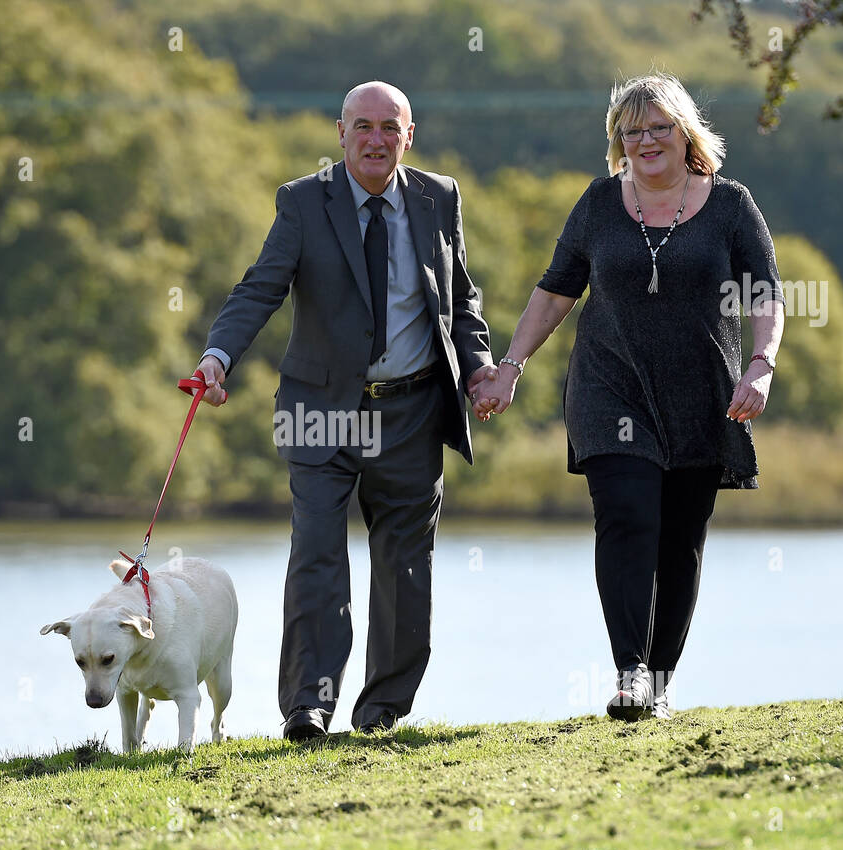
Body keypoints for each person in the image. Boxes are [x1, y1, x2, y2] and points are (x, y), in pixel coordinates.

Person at [474, 72, 786, 721]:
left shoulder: (730, 205)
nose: (645, 139)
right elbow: (556, 288)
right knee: (626, 511)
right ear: (618, 141)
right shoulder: (598, 203)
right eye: (631, 129)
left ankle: (662, 680)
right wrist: (510, 366)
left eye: (659, 127)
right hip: (609, 385)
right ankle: (631, 673)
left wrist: (760, 363)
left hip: (703, 393)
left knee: (680, 538)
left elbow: (765, 292)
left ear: (685, 134)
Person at [195, 81, 496, 739]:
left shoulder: (439, 198)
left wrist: (478, 371)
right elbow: (258, 289)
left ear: (408, 136)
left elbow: (461, 299)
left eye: (391, 127)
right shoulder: (304, 201)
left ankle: (381, 710)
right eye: (363, 126)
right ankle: (308, 705)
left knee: (404, 567)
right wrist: (219, 357)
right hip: (320, 410)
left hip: (414, 409)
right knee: (318, 555)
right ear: (340, 133)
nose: (377, 139)